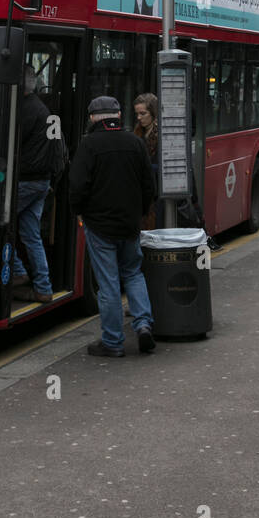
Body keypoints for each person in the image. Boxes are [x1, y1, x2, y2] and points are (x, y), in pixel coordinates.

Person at [69, 95, 156, 357]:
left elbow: (77, 186)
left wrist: (78, 212)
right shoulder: (135, 142)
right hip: (129, 223)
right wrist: (139, 213)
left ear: (94, 118)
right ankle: (143, 325)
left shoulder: (89, 145)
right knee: (133, 273)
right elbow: (148, 185)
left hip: (100, 225)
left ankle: (113, 341)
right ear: (118, 116)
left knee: (108, 283)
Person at [11, 67, 54, 304]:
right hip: (41, 181)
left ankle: (17, 271)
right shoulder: (41, 107)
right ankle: (43, 288)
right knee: (31, 235)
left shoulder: (27, 110)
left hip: (25, 180)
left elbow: (12, 140)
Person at [133, 92, 159, 229]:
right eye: (137, 114)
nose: (139, 118)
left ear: (153, 112)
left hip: (156, 195)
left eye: (143, 114)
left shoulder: (161, 135)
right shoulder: (137, 133)